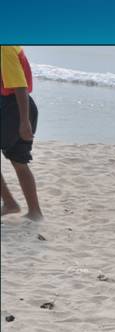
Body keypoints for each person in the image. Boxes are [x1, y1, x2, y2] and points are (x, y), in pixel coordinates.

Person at [0, 46, 42, 220]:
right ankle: (35, 212)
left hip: (15, 108)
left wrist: (24, 122)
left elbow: (19, 85)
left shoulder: (4, 48)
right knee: (19, 161)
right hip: (19, 107)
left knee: (20, 160)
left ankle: (10, 203)